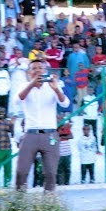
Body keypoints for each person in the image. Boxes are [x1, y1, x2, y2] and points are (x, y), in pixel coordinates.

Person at [14, 58, 70, 192]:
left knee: (51, 173)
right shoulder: (24, 85)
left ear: (45, 70)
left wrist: (56, 89)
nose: (38, 70)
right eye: (34, 68)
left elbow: (65, 103)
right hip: (30, 134)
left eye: (40, 68)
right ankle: (19, 201)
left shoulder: (52, 85)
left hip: (50, 134)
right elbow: (17, 100)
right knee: (21, 171)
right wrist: (31, 85)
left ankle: (48, 202)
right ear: (29, 73)